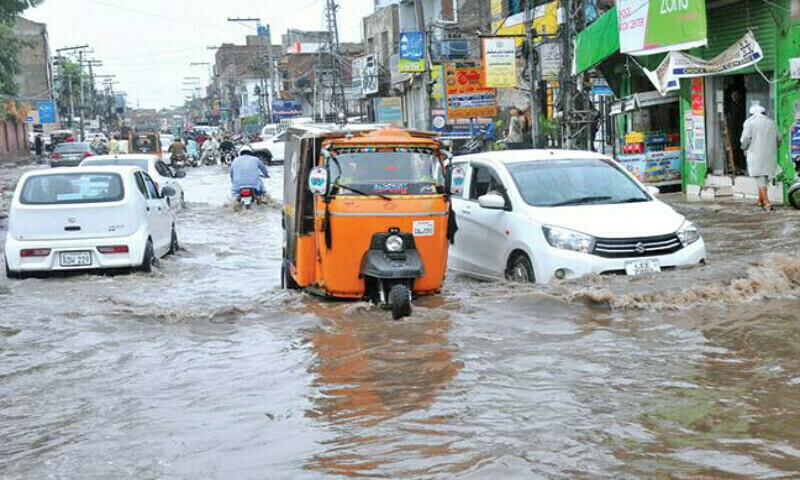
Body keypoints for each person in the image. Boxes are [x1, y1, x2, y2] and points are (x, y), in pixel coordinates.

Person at [741, 104, 782, 212]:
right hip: (770, 154)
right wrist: (774, 147)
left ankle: (767, 203)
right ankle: (760, 200)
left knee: (759, 177)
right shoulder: (772, 123)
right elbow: (779, 138)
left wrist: (744, 148)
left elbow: (745, 139)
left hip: (755, 154)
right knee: (764, 176)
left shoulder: (750, 123)